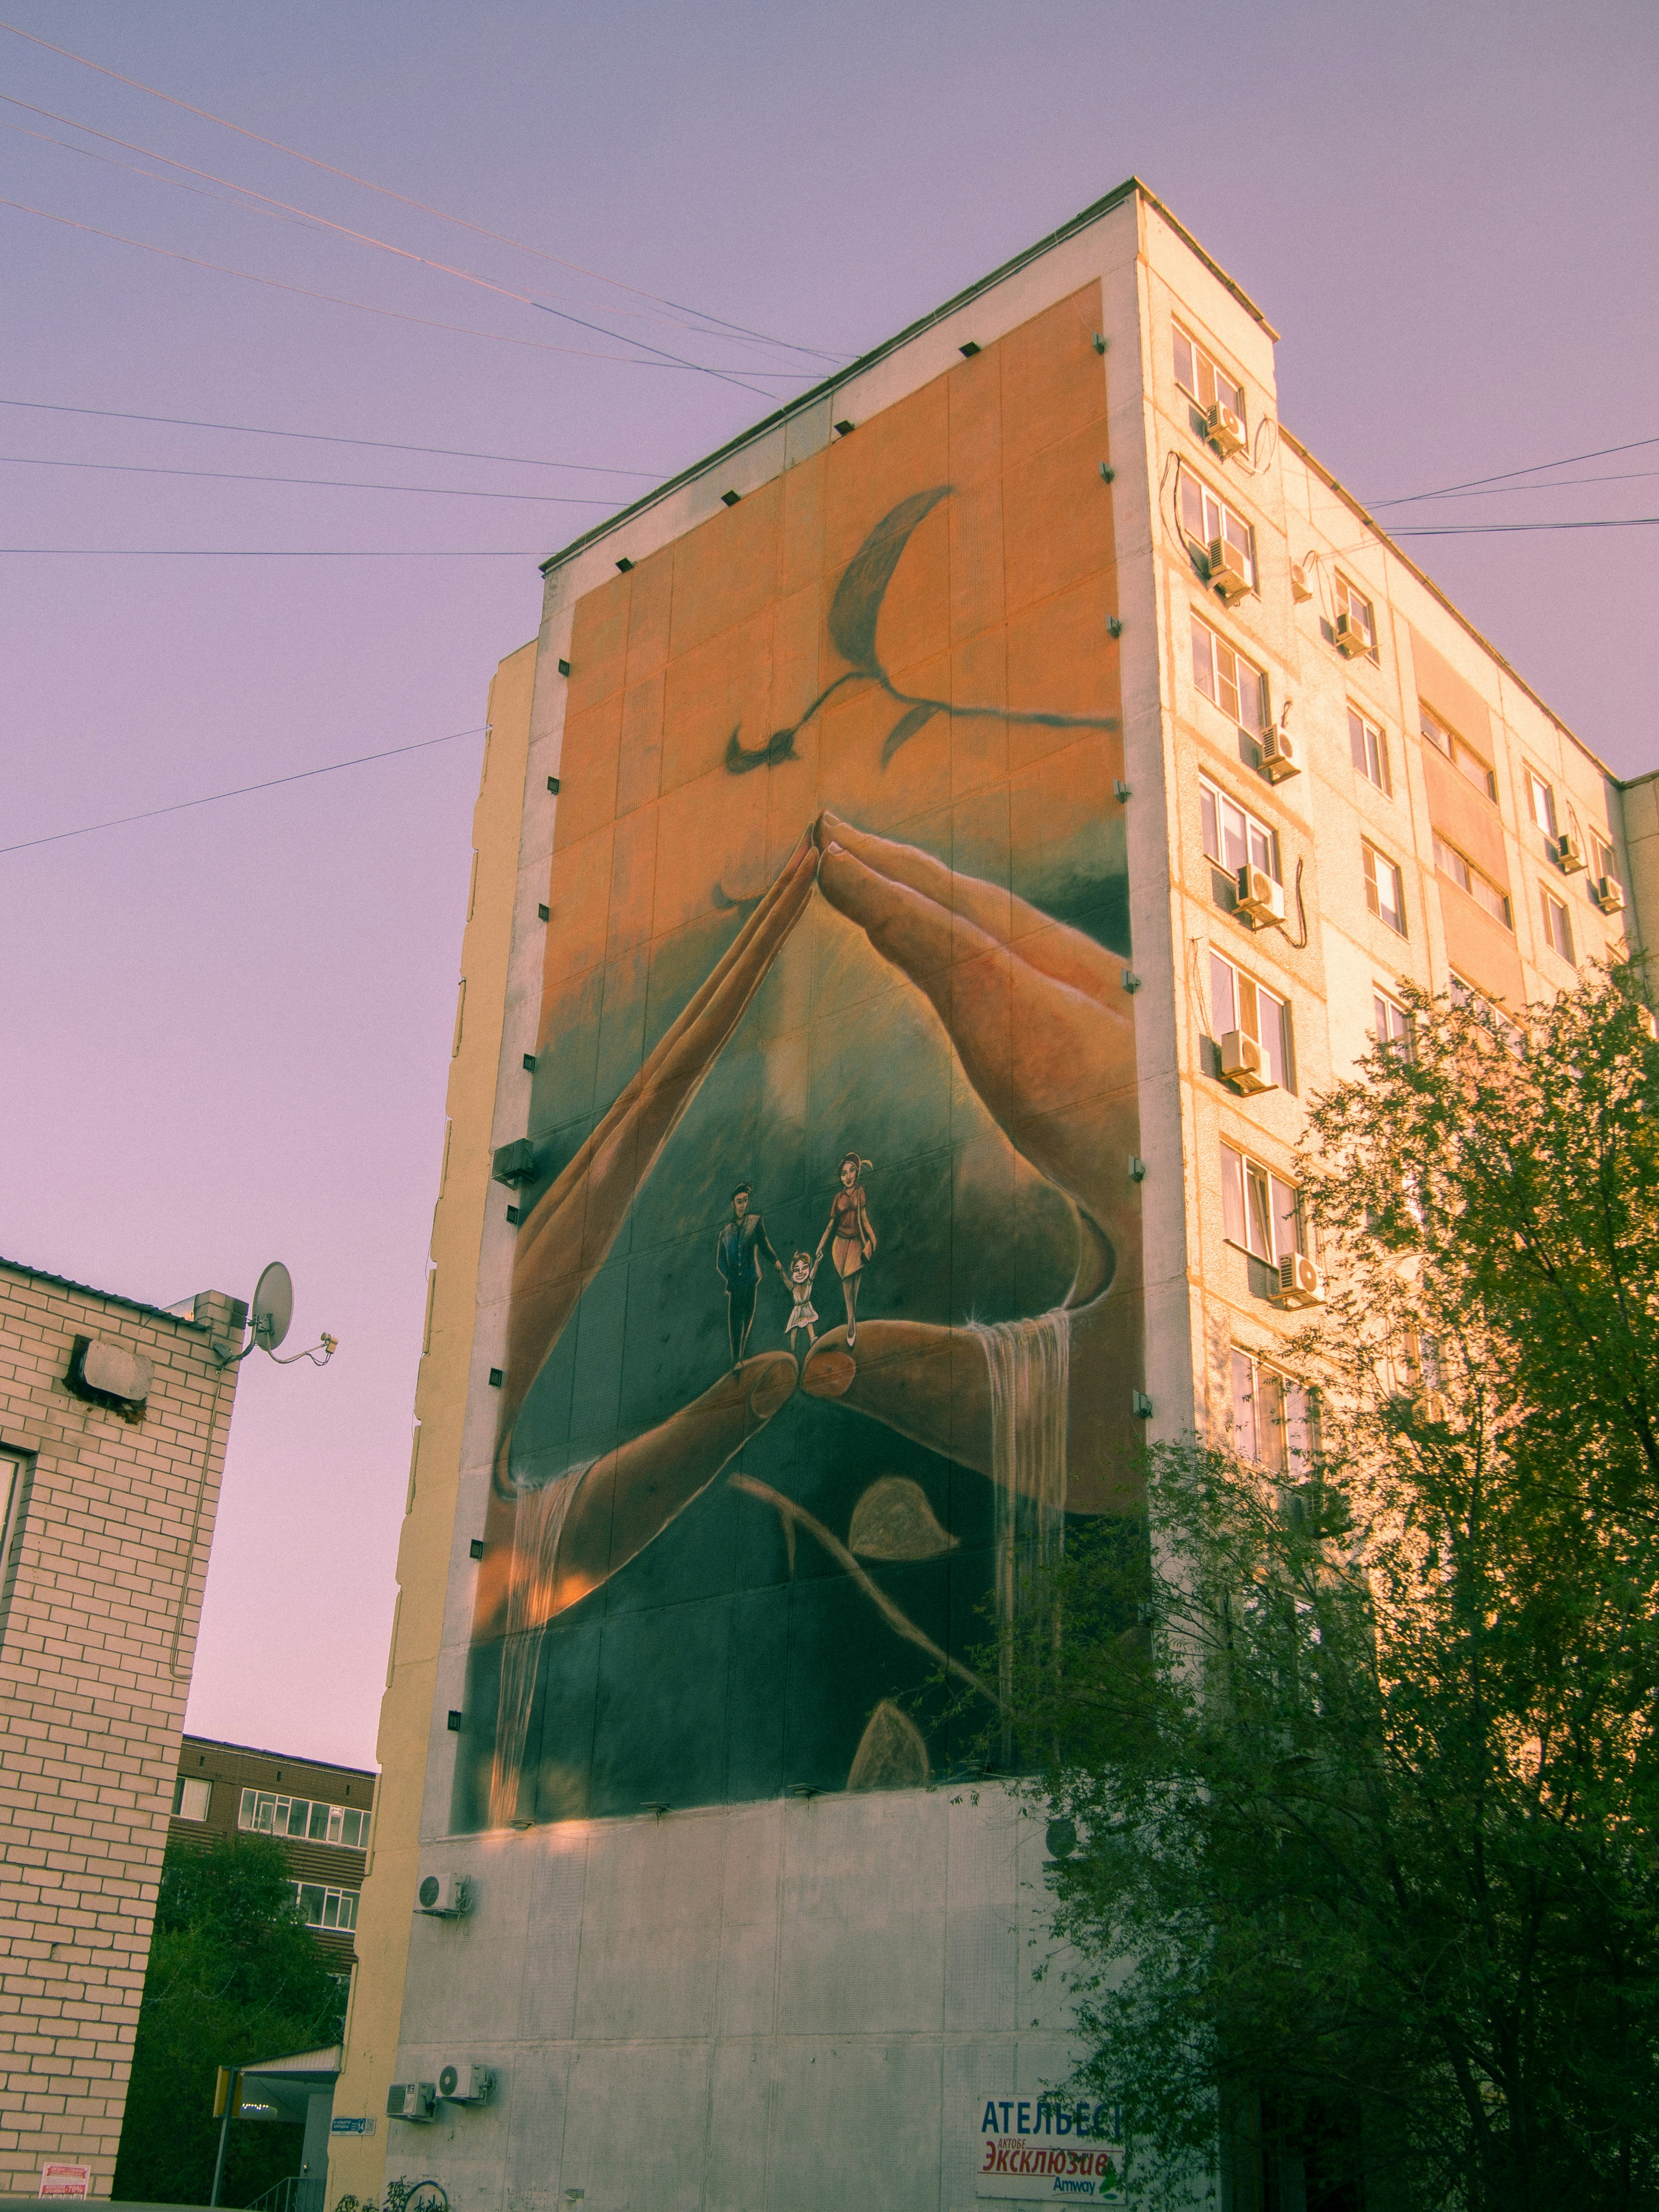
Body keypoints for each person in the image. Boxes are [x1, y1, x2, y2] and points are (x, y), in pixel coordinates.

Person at [716, 1184, 781, 1369]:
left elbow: (764, 1244)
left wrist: (775, 1260)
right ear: (733, 1204)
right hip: (736, 1286)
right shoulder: (725, 1233)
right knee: (735, 1321)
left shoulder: (755, 1222)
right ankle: (737, 1359)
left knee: (748, 1317)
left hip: (751, 1279)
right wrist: (730, 1278)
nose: (743, 1205)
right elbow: (721, 1262)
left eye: (745, 1201)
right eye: (739, 1202)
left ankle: (743, 1355)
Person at [815, 1152, 876, 1348]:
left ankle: (851, 1322)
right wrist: (820, 1246)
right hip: (840, 1244)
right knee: (846, 1284)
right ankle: (852, 1319)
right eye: (844, 1173)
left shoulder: (860, 1192)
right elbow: (830, 1225)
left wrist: (872, 1241)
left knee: (854, 1285)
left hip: (857, 1241)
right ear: (840, 1176)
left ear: (857, 1173)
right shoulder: (838, 1198)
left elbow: (864, 1219)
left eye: (851, 1172)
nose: (848, 1177)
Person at [779, 1249, 822, 1356]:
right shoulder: (794, 1287)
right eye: (797, 1270)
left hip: (807, 1307)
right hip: (798, 1310)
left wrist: (817, 1261)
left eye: (805, 1268)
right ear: (793, 1273)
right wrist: (780, 1271)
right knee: (794, 1328)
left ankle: (813, 1339)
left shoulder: (809, 1283)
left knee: (809, 1322)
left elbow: (813, 1273)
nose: (801, 1272)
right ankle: (792, 1349)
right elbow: (785, 1279)